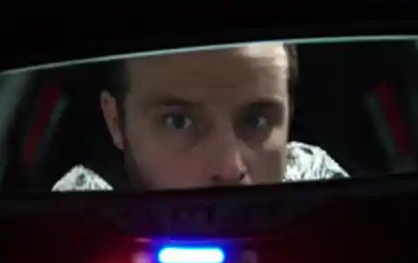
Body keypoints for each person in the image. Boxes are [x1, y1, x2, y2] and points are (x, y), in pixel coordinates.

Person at [53, 42, 348, 191]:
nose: (230, 169)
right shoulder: (75, 215)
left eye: (255, 120)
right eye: (178, 122)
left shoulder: (317, 179)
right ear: (116, 122)